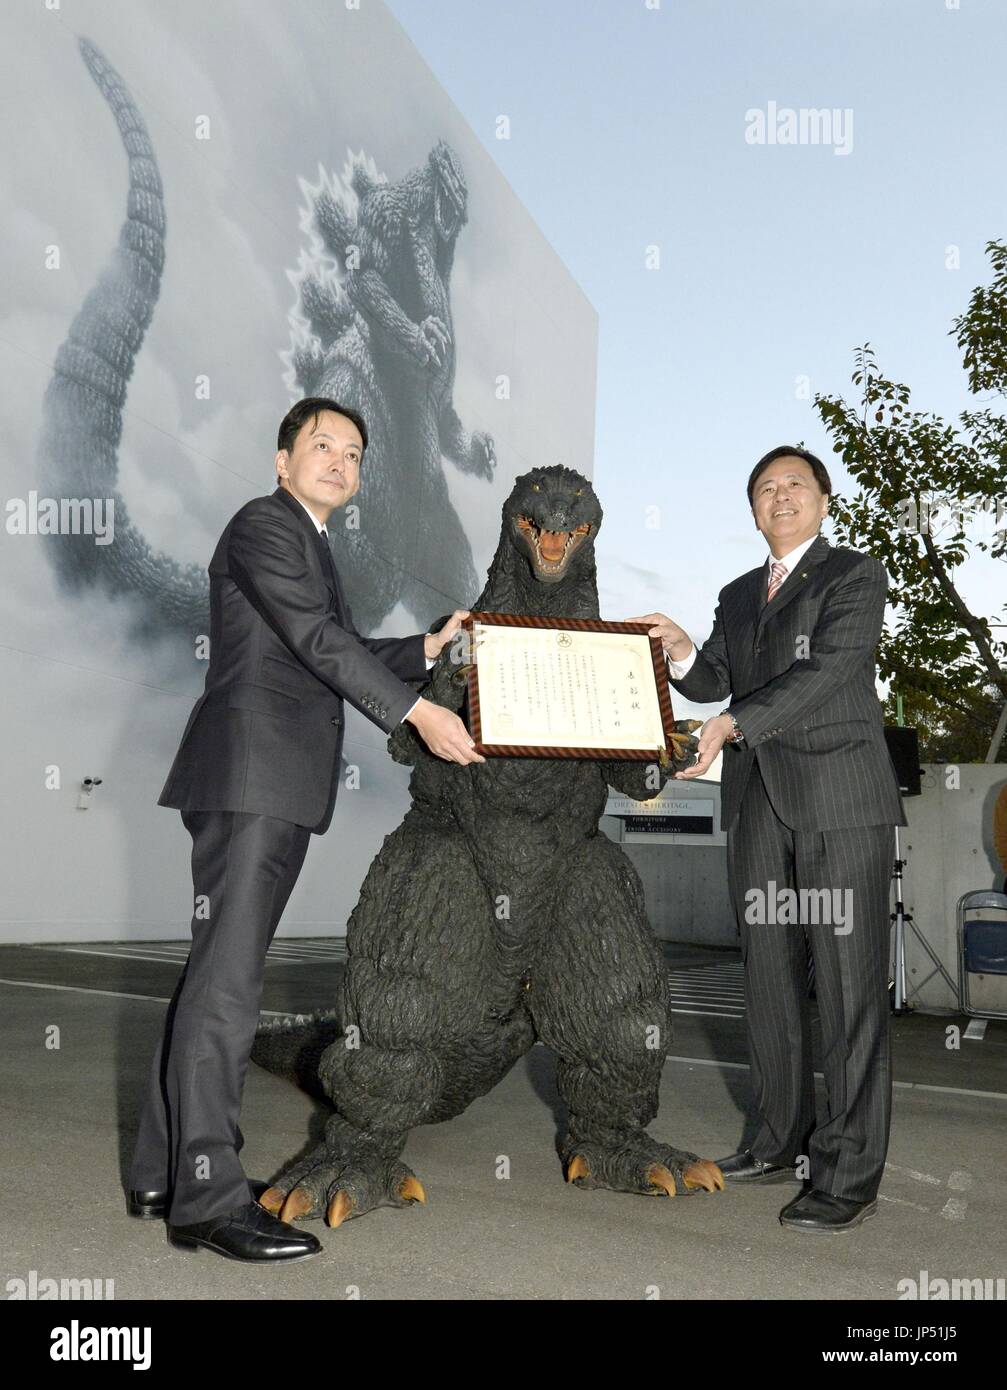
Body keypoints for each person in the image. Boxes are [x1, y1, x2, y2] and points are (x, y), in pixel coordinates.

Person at [126, 396, 483, 1263]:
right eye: (322, 444)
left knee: (215, 978)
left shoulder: (309, 544)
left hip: (267, 782)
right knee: (230, 988)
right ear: (282, 460)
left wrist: (426, 650)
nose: (340, 460)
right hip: (251, 779)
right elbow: (320, 643)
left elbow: (331, 643)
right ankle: (206, 1198)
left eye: (355, 452)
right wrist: (416, 716)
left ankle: (164, 1169)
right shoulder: (263, 523)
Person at [630, 445, 905, 1234]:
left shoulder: (855, 575)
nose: (777, 497)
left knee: (850, 990)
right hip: (757, 807)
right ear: (751, 508)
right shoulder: (737, 593)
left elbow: (828, 671)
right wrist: (682, 648)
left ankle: (846, 1173)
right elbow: (711, 677)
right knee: (767, 985)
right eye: (763, 488)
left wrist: (735, 722)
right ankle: (773, 1140)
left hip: (838, 802)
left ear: (823, 500)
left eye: (793, 485)